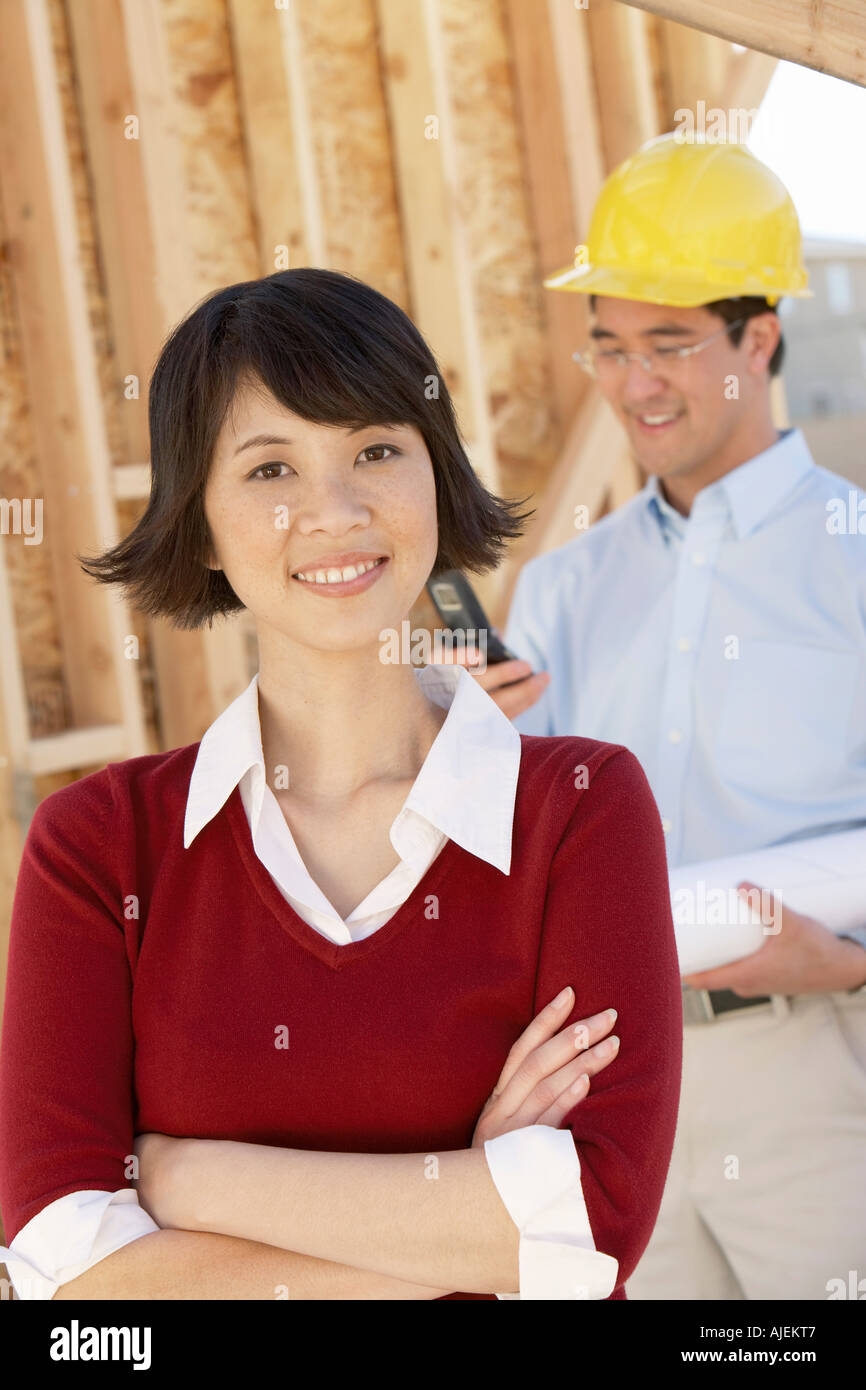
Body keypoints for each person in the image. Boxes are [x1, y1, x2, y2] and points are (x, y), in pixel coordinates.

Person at [0, 268, 681, 1301]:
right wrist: (472, 1228)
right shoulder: (98, 845)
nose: (333, 509)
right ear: (204, 523)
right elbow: (65, 1273)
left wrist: (186, 1176)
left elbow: (591, 1226)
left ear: (434, 475)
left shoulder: (580, 808)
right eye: (269, 469)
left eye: (373, 449)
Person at [465, 134, 866, 1300]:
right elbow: (516, 870)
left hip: (812, 1065)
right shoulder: (559, 593)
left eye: (670, 345)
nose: (632, 381)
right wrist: (459, 753)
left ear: (760, 338)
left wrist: (840, 964)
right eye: (606, 344)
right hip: (609, 1091)